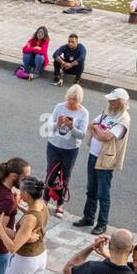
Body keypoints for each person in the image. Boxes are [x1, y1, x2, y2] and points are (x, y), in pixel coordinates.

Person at [72, 89, 131, 235]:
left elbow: (106, 137)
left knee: (103, 194)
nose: (109, 102)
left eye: (112, 100)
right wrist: (98, 131)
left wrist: (97, 130)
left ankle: (102, 224)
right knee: (90, 190)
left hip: (106, 160)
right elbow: (91, 124)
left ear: (120, 102)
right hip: (93, 155)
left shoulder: (124, 119)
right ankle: (88, 217)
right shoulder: (108, 111)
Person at [45, 85, 88, 216]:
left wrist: (72, 127)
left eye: (74, 100)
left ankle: (60, 203)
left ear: (79, 100)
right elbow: (48, 127)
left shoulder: (83, 113)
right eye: (69, 99)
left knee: (65, 176)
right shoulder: (59, 107)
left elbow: (82, 134)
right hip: (54, 145)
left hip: (70, 149)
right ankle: (45, 200)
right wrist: (58, 124)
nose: (71, 102)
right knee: (51, 173)